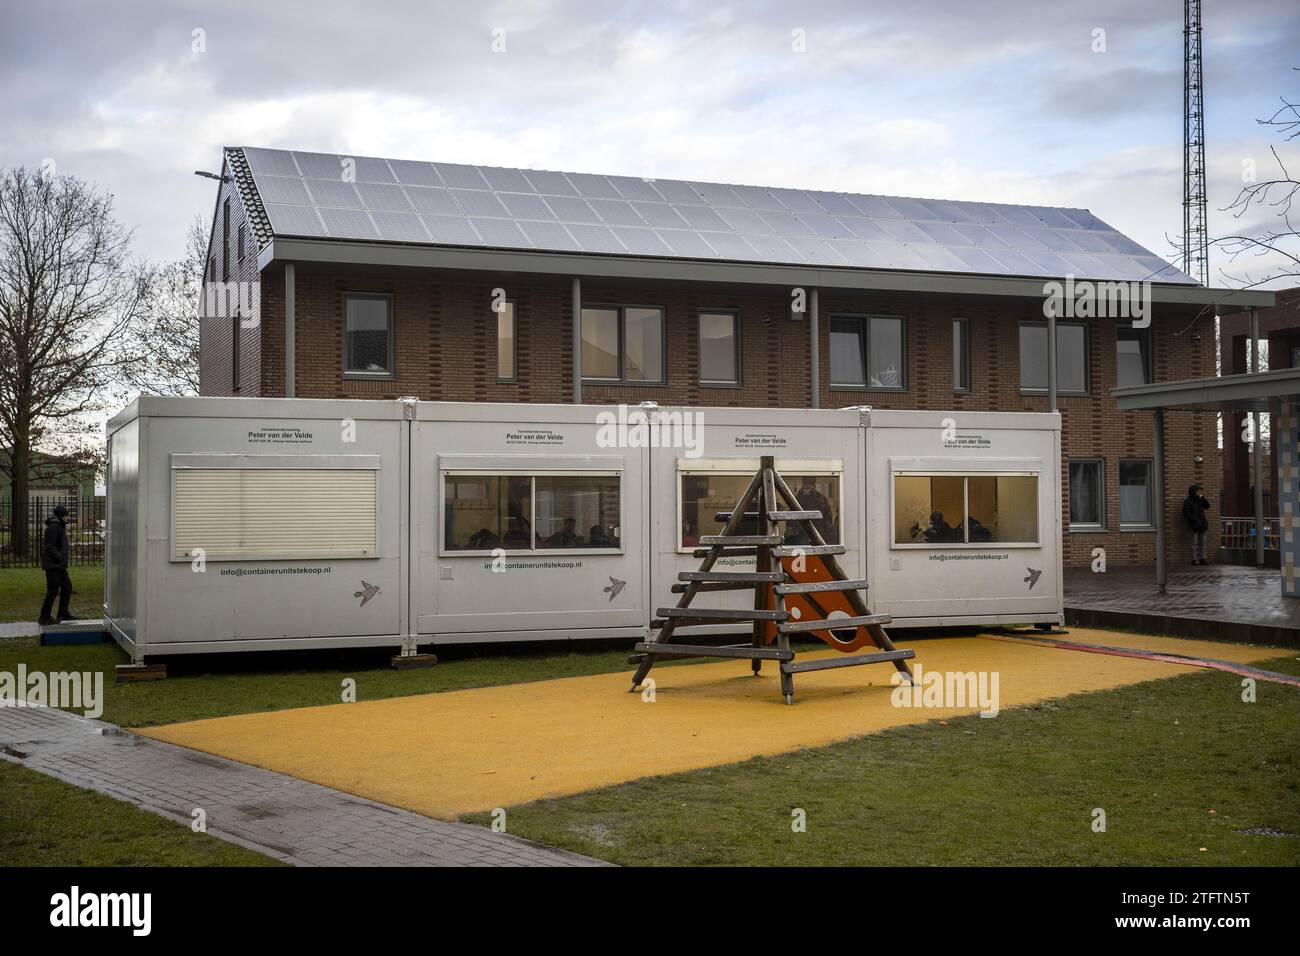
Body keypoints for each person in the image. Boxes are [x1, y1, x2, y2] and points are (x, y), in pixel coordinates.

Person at [38, 505, 78, 625]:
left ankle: (63, 613)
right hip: (53, 565)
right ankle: (44, 617)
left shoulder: (59, 526)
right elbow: (49, 546)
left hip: (59, 565)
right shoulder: (53, 527)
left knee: (67, 587)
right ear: (60, 516)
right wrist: (60, 558)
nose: (68, 518)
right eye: (66, 515)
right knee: (53, 591)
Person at [1182, 484, 1211, 566]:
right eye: (1198, 491)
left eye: (1200, 491)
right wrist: (1194, 519)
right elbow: (1185, 512)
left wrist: (1203, 497)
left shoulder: (1200, 500)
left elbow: (1207, 506)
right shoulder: (1188, 501)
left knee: (1203, 543)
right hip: (1194, 525)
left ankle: (1203, 559)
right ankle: (1193, 560)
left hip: (1203, 524)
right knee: (1194, 543)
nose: (1200, 493)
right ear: (1193, 492)